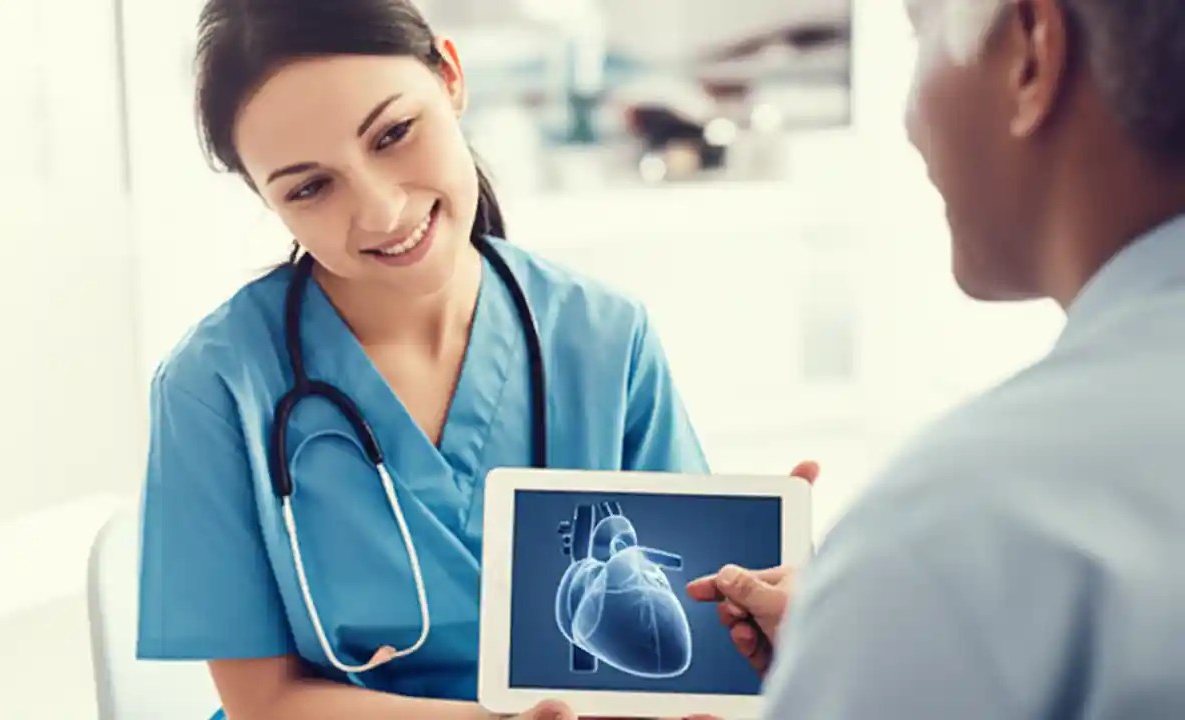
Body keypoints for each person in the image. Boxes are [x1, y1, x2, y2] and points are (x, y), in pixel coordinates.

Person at [131, 1, 813, 719]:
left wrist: (767, 612)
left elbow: (676, 662)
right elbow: (263, 702)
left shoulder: (604, 337)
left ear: (450, 76)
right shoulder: (215, 387)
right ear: (267, 200)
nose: (382, 209)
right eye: (309, 187)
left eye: (394, 134)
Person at [686, 0, 1185, 717]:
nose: (909, 125)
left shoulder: (964, 536)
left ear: (1032, 54)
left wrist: (884, 630)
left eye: (918, 33)